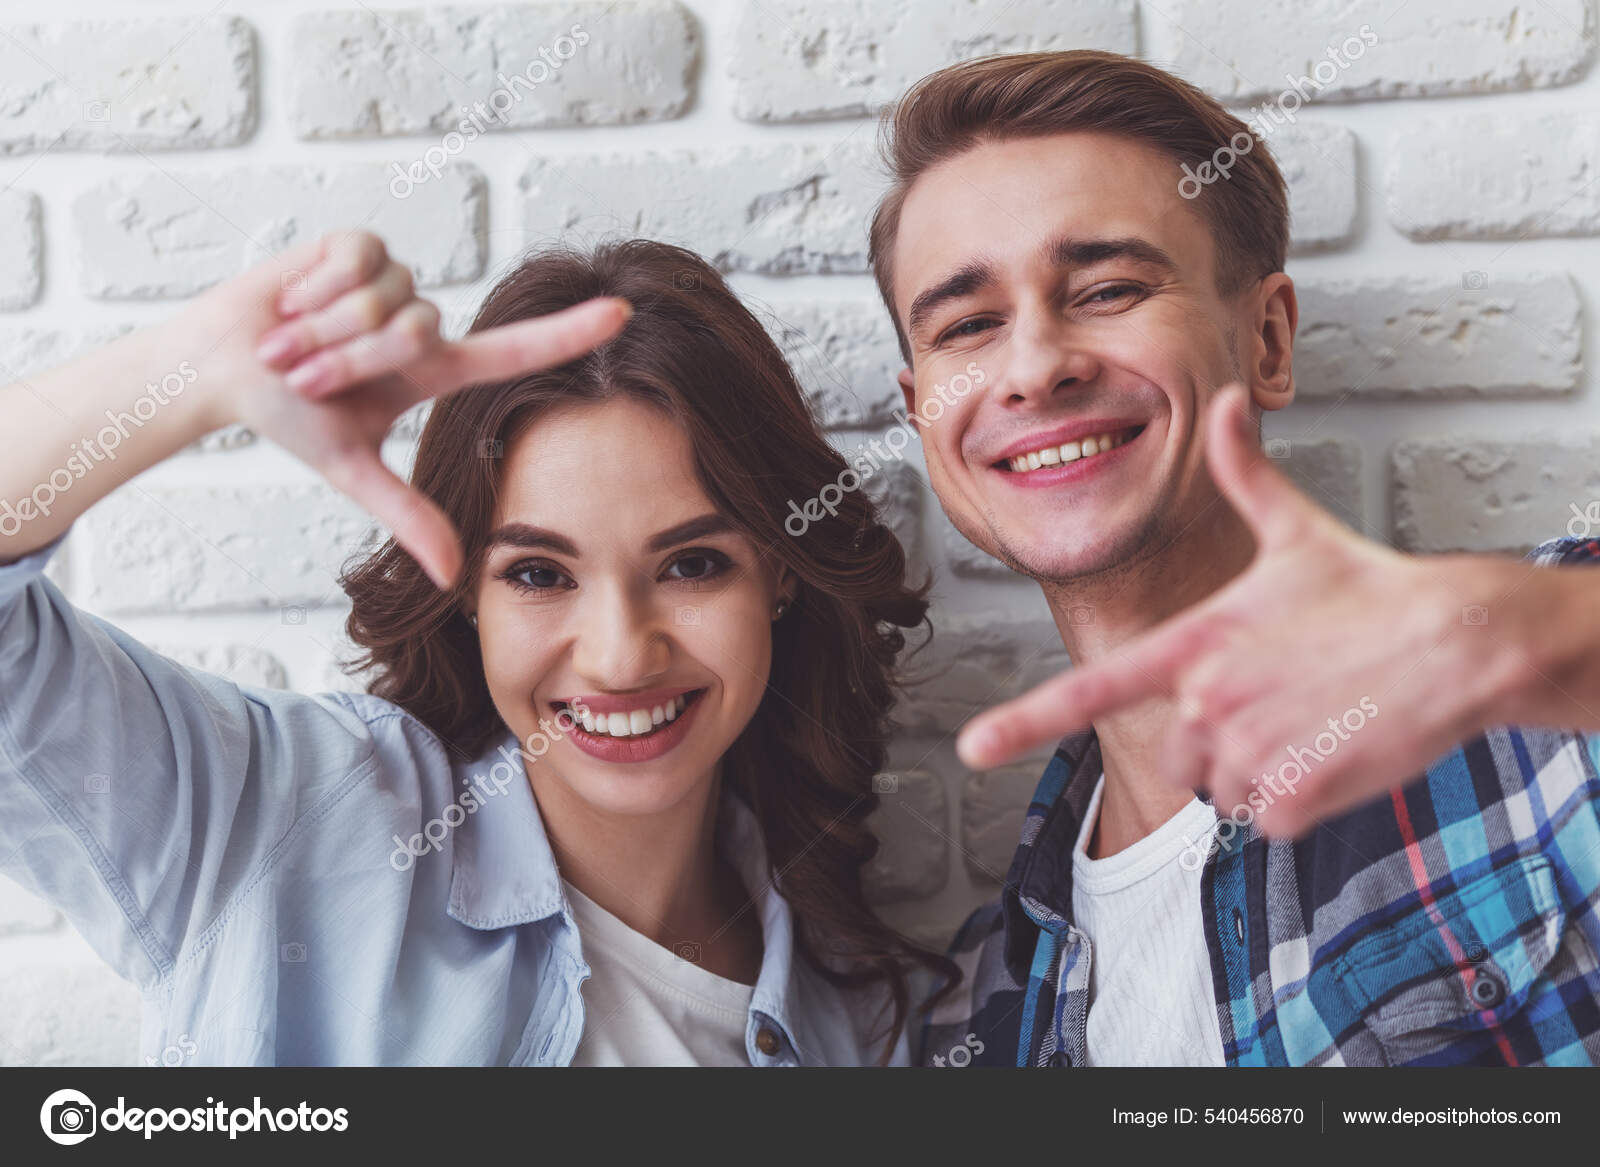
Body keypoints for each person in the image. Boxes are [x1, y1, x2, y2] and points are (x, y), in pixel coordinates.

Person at [0, 231, 953, 1066]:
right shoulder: (280, 826)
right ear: (463, 591)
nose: (621, 657)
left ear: (780, 573)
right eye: (540, 574)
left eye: (693, 563)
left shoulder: (855, 1020)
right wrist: (199, 367)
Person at [861, 50, 1600, 1066]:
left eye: (1109, 288)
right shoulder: (983, 1013)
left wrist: (1546, 625)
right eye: (971, 324)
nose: (1033, 366)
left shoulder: (1541, 712)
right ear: (921, 413)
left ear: (1267, 342)